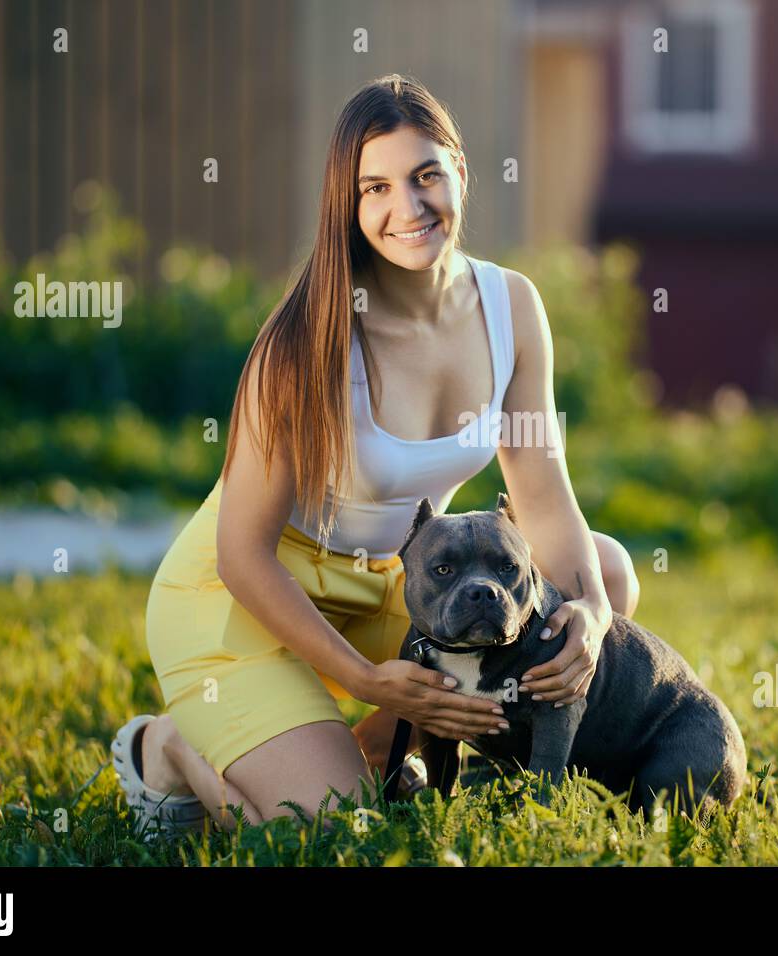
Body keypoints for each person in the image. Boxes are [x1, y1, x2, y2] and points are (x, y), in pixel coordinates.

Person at [109, 74, 640, 837]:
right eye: (376, 188)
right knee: (330, 830)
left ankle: (352, 761)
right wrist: (365, 679)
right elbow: (241, 555)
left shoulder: (512, 307)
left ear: (460, 172)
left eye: (426, 176)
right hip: (246, 593)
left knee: (607, 571)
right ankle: (168, 748)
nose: (408, 207)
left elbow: (544, 496)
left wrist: (590, 610)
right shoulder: (305, 338)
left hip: (390, 579)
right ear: (348, 205)